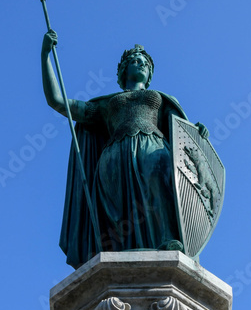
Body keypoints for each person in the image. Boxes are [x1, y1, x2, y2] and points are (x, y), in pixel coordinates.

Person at [41, 32, 210, 267]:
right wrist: (45, 55)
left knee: (159, 188)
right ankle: (120, 253)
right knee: (118, 210)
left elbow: (181, 131)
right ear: (123, 71)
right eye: (134, 60)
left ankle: (168, 239)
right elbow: (58, 102)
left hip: (153, 148)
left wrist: (196, 131)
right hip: (114, 156)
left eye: (145, 63)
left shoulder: (160, 98)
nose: (140, 63)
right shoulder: (105, 105)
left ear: (150, 75)